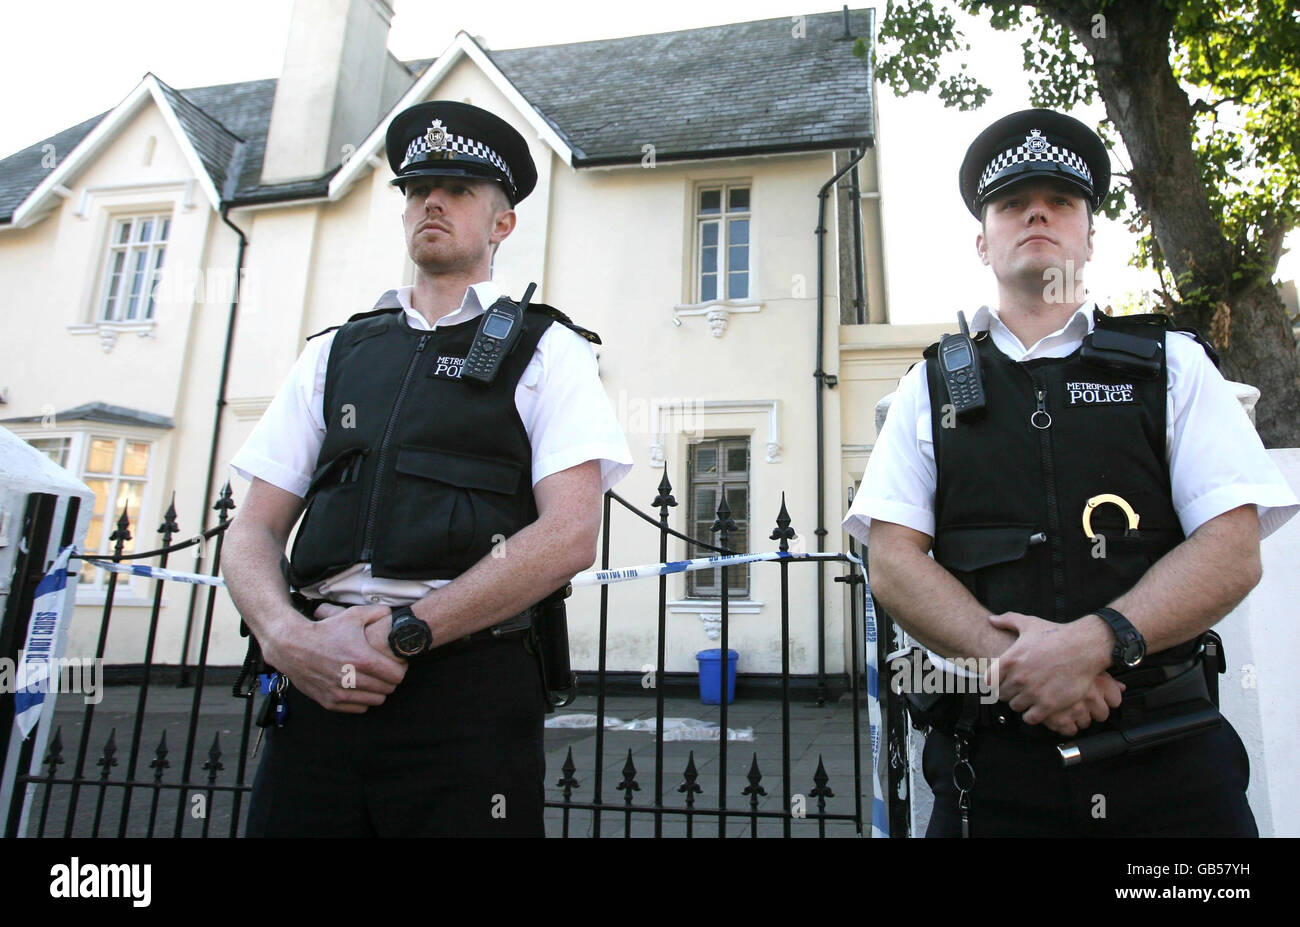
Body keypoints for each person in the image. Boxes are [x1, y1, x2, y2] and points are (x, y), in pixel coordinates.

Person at [843, 108, 1298, 837]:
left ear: (1088, 235)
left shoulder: (1173, 366)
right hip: (990, 768)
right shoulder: (925, 389)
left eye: (1060, 202)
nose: (1037, 214)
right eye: (1012, 204)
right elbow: (892, 559)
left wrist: (1095, 641)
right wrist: (1020, 666)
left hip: (1171, 765)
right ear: (982, 239)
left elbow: (1232, 547)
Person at [222, 100, 633, 837]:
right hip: (318, 680)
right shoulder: (335, 352)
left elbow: (570, 533)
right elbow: (251, 528)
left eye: (457, 189)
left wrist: (409, 631)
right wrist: (287, 638)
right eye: (416, 190)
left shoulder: (548, 350)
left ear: (501, 223)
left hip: (467, 696)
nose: (430, 202)